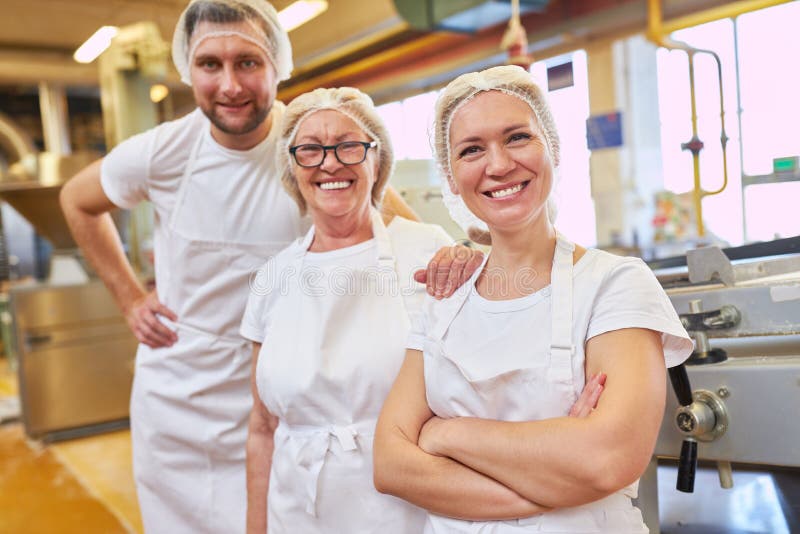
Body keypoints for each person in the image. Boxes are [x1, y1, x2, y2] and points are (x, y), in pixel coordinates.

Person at [59, 1, 467, 531]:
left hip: (289, 395)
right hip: (180, 396)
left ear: (278, 66)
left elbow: (390, 218)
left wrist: (456, 254)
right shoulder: (163, 152)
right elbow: (77, 200)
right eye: (210, 65)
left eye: (248, 63)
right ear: (188, 69)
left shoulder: (309, 145)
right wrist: (130, 297)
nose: (229, 85)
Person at [373, 65, 694, 533]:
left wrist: (447, 433)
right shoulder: (444, 297)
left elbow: (607, 460)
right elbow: (391, 464)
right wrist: (557, 470)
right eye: (471, 150)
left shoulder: (615, 284)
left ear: (554, 149)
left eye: (517, 138)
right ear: (450, 174)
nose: (499, 165)